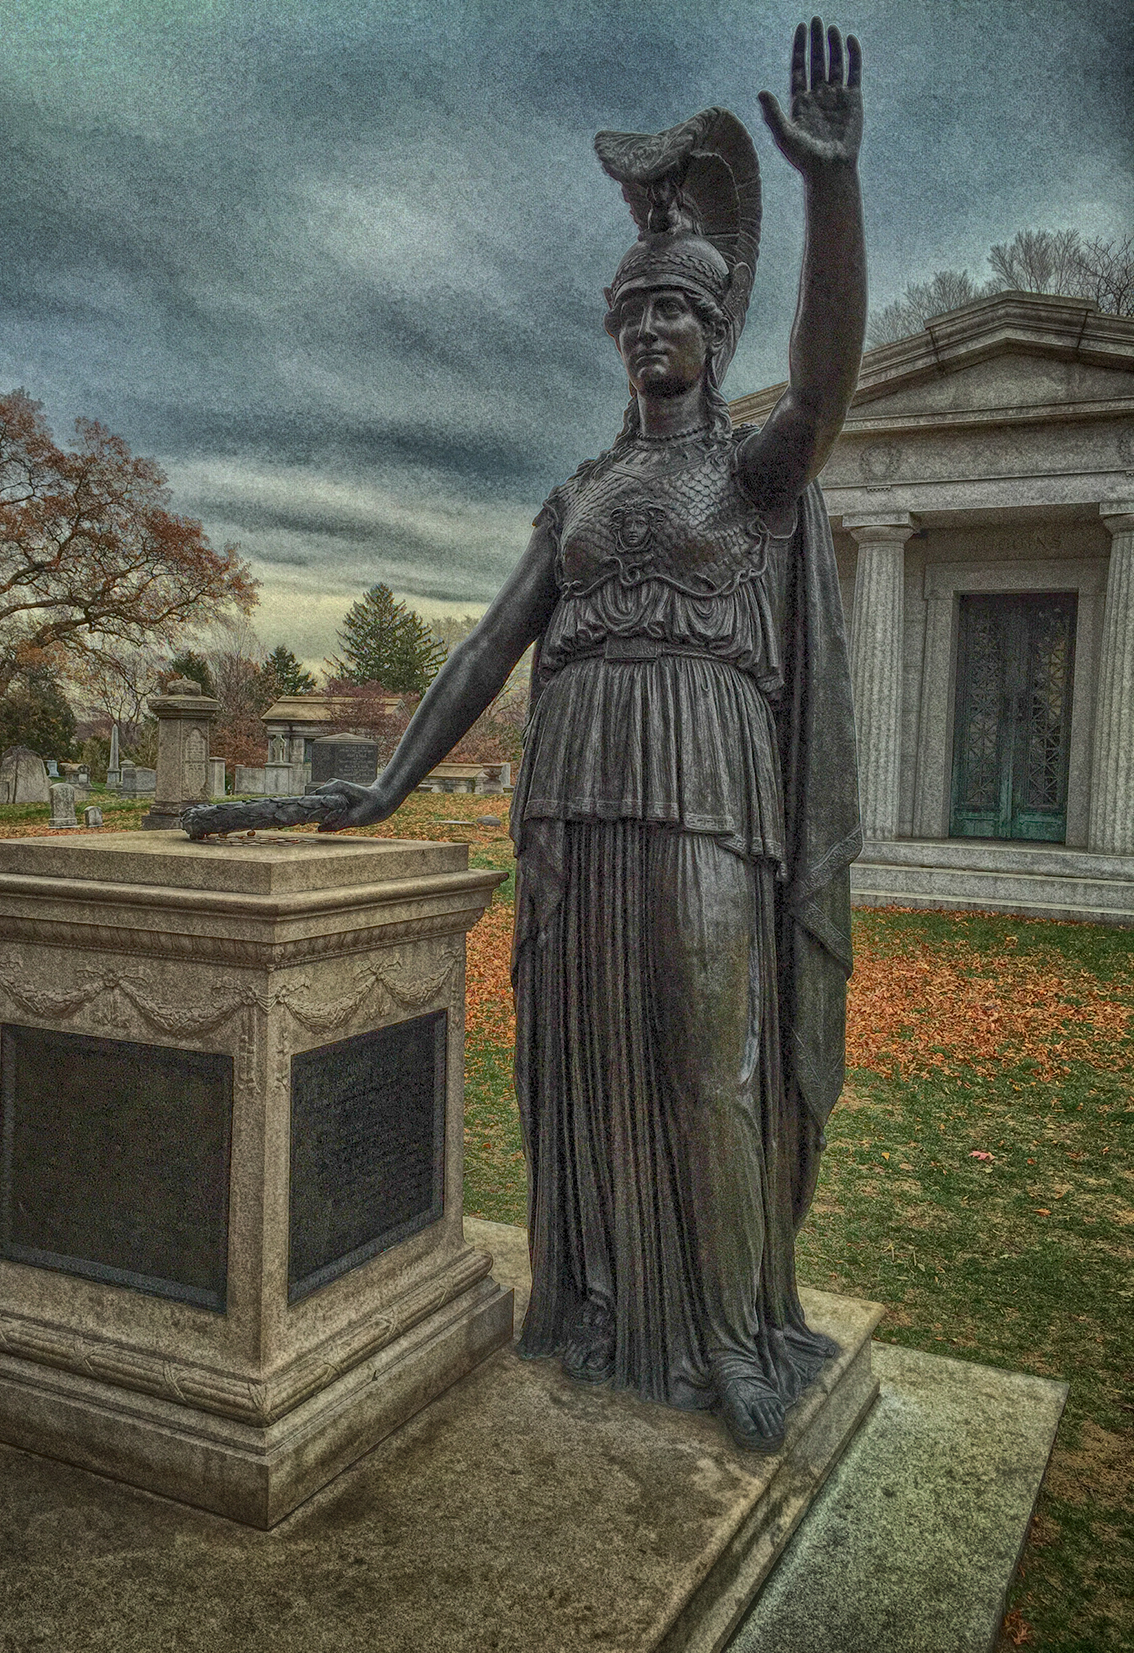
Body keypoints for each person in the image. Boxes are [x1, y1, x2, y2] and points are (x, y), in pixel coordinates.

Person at [256, 20, 864, 1453]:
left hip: (705, 783)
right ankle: (595, 1301)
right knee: (587, 1058)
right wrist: (386, 783)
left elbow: (828, 382)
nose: (653, 333)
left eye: (678, 317)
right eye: (634, 316)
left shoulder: (756, 471)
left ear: (715, 340)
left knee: (709, 1060)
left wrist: (834, 190)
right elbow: (486, 643)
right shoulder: (581, 490)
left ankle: (727, 1334)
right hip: (577, 783)